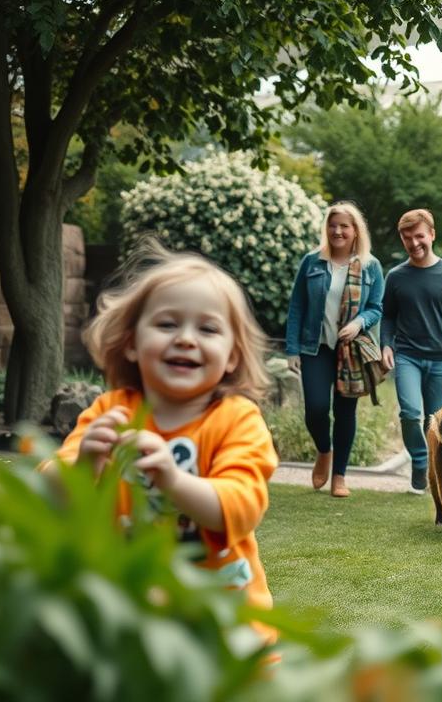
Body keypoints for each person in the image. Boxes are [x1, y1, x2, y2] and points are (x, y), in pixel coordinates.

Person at [44, 243, 277, 636]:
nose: (186, 339)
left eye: (207, 329)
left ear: (232, 356)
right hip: (129, 626)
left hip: (223, 630)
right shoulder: (109, 411)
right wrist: (84, 464)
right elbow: (48, 493)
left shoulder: (237, 420)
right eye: (167, 324)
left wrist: (174, 481)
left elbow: (242, 506)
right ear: (132, 343)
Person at [284, 202, 384, 498]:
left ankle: (339, 476)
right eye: (332, 225)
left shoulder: (371, 266)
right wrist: (292, 349)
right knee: (315, 409)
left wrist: (359, 323)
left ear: (356, 231)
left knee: (345, 412)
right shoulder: (312, 262)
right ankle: (324, 451)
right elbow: (297, 306)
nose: (337, 231)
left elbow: (376, 307)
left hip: (350, 350)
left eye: (344, 226)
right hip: (315, 348)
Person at [381, 209, 442, 493]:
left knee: (435, 422)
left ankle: (435, 467)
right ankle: (420, 462)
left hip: (440, 360)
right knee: (410, 413)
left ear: (432, 234)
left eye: (419, 236)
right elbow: (388, 315)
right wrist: (386, 344)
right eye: (407, 238)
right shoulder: (396, 276)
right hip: (407, 356)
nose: (414, 243)